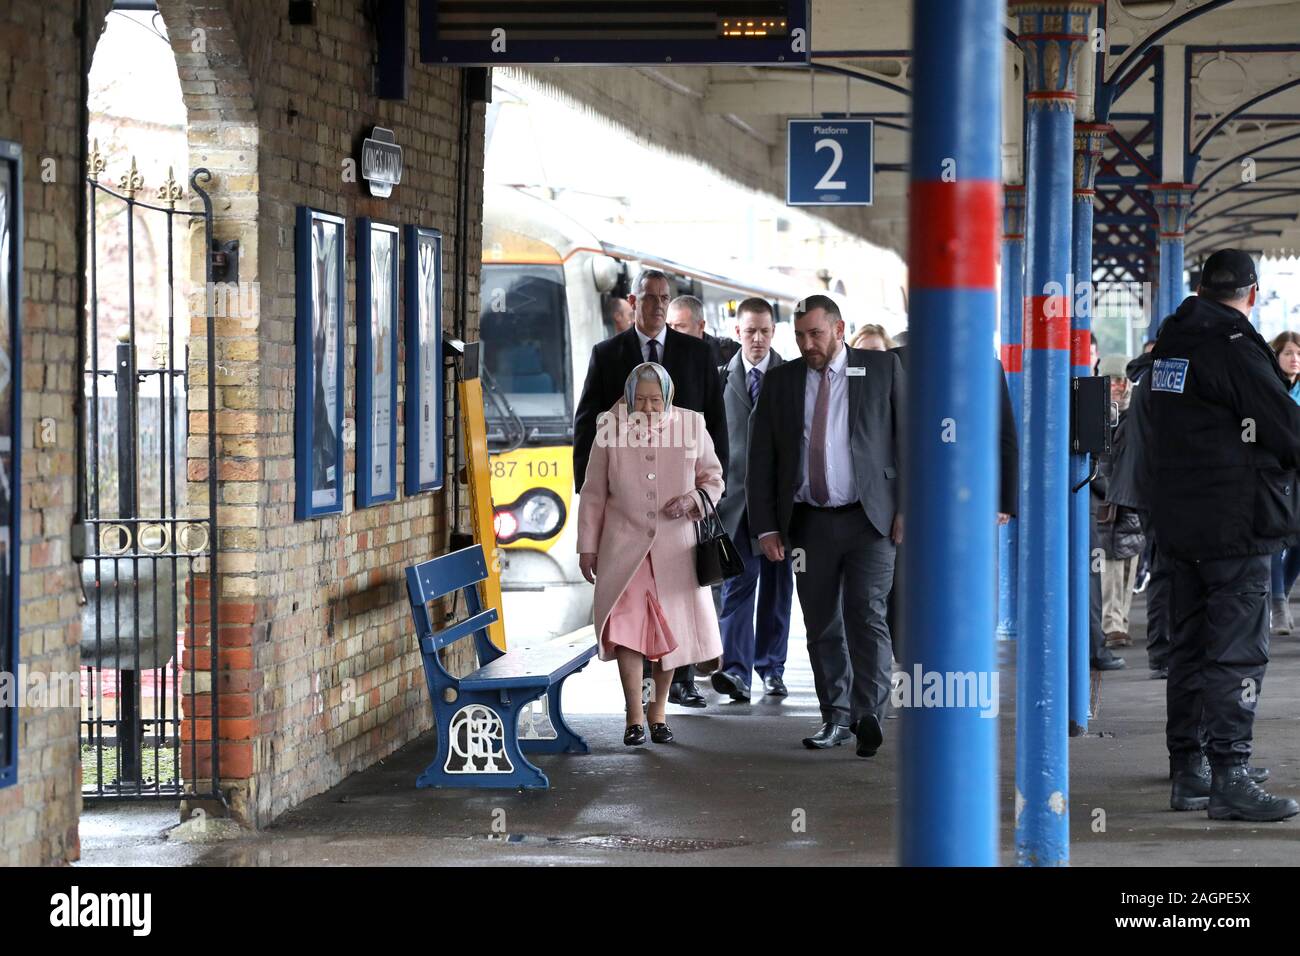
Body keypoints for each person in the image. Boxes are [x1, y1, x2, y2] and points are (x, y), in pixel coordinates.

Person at [1142, 248, 1300, 821]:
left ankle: (1190, 769)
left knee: (1187, 649)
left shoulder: (1174, 342)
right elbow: (1286, 429)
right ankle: (1230, 773)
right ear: (1251, 294)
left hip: (1180, 524)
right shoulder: (1231, 346)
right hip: (1235, 525)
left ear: (1201, 287)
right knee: (1236, 654)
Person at [748, 294, 904, 756]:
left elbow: (910, 442)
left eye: (815, 333)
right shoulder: (781, 383)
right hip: (808, 524)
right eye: (799, 336)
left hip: (869, 519)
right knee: (821, 623)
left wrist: (907, 509)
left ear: (839, 329)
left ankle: (869, 713)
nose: (807, 344)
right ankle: (835, 717)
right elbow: (762, 460)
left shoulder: (880, 371)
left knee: (867, 614)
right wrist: (766, 527)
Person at [573, 269, 728, 708]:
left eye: (665, 298)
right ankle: (636, 710)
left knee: (674, 617)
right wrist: (590, 535)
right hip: (625, 527)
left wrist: (706, 501)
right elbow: (588, 436)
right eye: (650, 298)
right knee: (627, 619)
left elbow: (715, 432)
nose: (658, 305)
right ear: (633, 300)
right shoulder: (607, 355)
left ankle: (669, 694)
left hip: (677, 530)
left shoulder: (698, 356)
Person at [576, 363, 725, 746]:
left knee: (666, 631)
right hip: (623, 546)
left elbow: (714, 479)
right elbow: (593, 492)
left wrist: (693, 500)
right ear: (628, 397)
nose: (647, 407)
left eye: (655, 400)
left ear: (668, 397)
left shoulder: (692, 425)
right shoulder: (609, 426)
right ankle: (633, 717)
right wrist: (587, 547)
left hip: (675, 549)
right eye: (640, 399)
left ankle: (658, 714)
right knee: (626, 629)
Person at [886, 346, 1017, 662]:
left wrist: (1004, 500)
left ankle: (955, 650)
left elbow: (1005, 436)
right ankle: (906, 654)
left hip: (967, 500)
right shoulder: (896, 361)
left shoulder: (989, 368)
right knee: (904, 581)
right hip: (910, 498)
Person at [710, 297, 795, 701]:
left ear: (773, 331)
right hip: (737, 504)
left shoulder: (792, 376)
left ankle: (771, 668)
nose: (757, 339)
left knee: (778, 588)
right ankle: (736, 671)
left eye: (764, 331)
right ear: (737, 332)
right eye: (750, 332)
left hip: (780, 505)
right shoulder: (721, 378)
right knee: (737, 587)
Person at [1095, 355, 1146, 651]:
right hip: (1112, 501)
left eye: (1122, 380)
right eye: (1113, 379)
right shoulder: (1112, 414)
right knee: (1111, 567)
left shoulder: (1134, 412)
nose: (1118, 385)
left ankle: (1119, 622)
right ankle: (1112, 624)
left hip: (1128, 502)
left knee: (1128, 567)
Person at [1268, 330, 1300, 634]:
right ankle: (1277, 605)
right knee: (1276, 540)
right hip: (1274, 475)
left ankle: (1282, 594)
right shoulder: (1268, 388)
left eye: (1299, 354)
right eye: (1289, 353)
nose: (1295, 359)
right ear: (1276, 356)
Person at [667, 294, 740, 366]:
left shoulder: (730, 351)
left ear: (701, 326)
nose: (672, 331)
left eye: (681, 326)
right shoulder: (663, 354)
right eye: (669, 325)